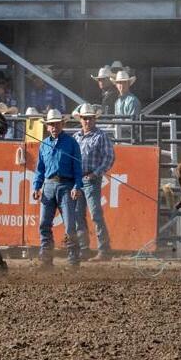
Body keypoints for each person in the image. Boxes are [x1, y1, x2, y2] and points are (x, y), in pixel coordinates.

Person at [32, 109, 83, 270]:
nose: (54, 127)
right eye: (51, 124)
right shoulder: (44, 144)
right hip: (48, 186)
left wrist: (77, 185)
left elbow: (77, 166)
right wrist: (36, 186)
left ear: (62, 124)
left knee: (69, 225)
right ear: (47, 126)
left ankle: (73, 261)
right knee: (44, 224)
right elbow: (40, 169)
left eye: (56, 124)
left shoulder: (71, 143)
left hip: (66, 186)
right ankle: (46, 260)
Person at [72, 103, 115, 262]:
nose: (87, 121)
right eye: (85, 118)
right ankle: (84, 249)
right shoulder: (76, 137)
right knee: (78, 214)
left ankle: (104, 249)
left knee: (95, 214)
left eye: (90, 118)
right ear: (81, 119)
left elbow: (109, 157)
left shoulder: (100, 136)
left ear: (94, 119)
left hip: (91, 180)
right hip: (78, 180)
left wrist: (95, 173)